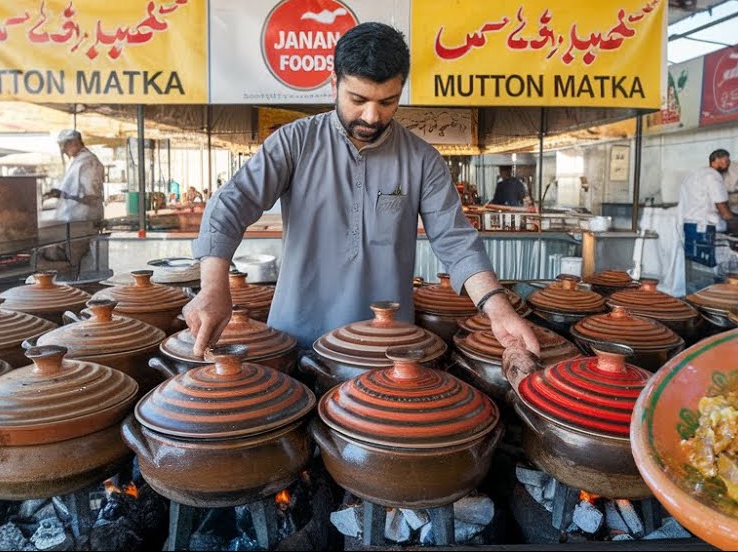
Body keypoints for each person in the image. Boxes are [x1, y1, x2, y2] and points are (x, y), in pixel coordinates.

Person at [183, 22, 540, 359]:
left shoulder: (422, 160)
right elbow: (233, 203)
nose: (371, 116)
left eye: (387, 102)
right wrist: (213, 287)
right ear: (332, 83)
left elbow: (456, 241)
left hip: (386, 349)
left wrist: (498, 309)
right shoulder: (295, 142)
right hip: (296, 340)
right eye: (358, 99)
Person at [41, 129, 106, 269]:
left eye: (65, 147)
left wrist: (65, 194)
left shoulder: (89, 162)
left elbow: (91, 194)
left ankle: (77, 288)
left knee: (76, 264)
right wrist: (59, 193)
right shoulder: (77, 161)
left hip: (83, 223)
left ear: (74, 143)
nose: (64, 151)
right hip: (73, 223)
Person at [678, 149, 735, 268]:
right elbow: (722, 207)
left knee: (692, 267)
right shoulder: (713, 176)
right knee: (705, 269)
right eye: (726, 160)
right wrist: (735, 221)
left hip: (689, 226)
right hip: (703, 227)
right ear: (716, 159)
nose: (728, 163)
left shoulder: (695, 174)